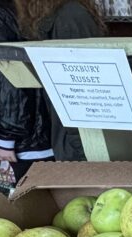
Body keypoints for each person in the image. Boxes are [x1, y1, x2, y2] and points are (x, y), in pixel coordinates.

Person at [0, 0, 54, 182]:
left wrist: (6, 138)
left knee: (35, 198)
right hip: (36, 130)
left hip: (26, 139)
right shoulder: (14, 9)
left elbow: (7, 80)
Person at [15, 0, 105, 161]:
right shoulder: (58, 16)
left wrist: (77, 147)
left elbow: (82, 90)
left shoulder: (69, 17)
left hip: (82, 142)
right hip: (72, 139)